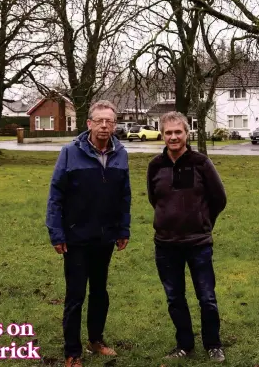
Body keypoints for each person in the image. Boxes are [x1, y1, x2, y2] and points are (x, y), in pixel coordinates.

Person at [46, 100, 131, 367]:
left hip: (105, 237)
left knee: (99, 292)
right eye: (100, 120)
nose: (105, 126)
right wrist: (57, 233)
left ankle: (96, 340)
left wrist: (123, 228)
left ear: (114, 125)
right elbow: (55, 195)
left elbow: (124, 196)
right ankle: (72, 352)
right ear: (89, 123)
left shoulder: (121, 153)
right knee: (75, 295)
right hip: (76, 238)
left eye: (110, 121)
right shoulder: (70, 152)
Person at [147, 112, 227, 363]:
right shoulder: (155, 166)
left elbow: (219, 199)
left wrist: (204, 223)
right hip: (166, 245)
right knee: (174, 298)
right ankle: (184, 344)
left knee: (207, 298)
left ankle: (213, 344)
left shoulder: (201, 163)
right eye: (168, 132)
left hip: (198, 244)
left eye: (178, 132)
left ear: (187, 133)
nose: (173, 137)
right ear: (162, 135)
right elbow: (154, 199)